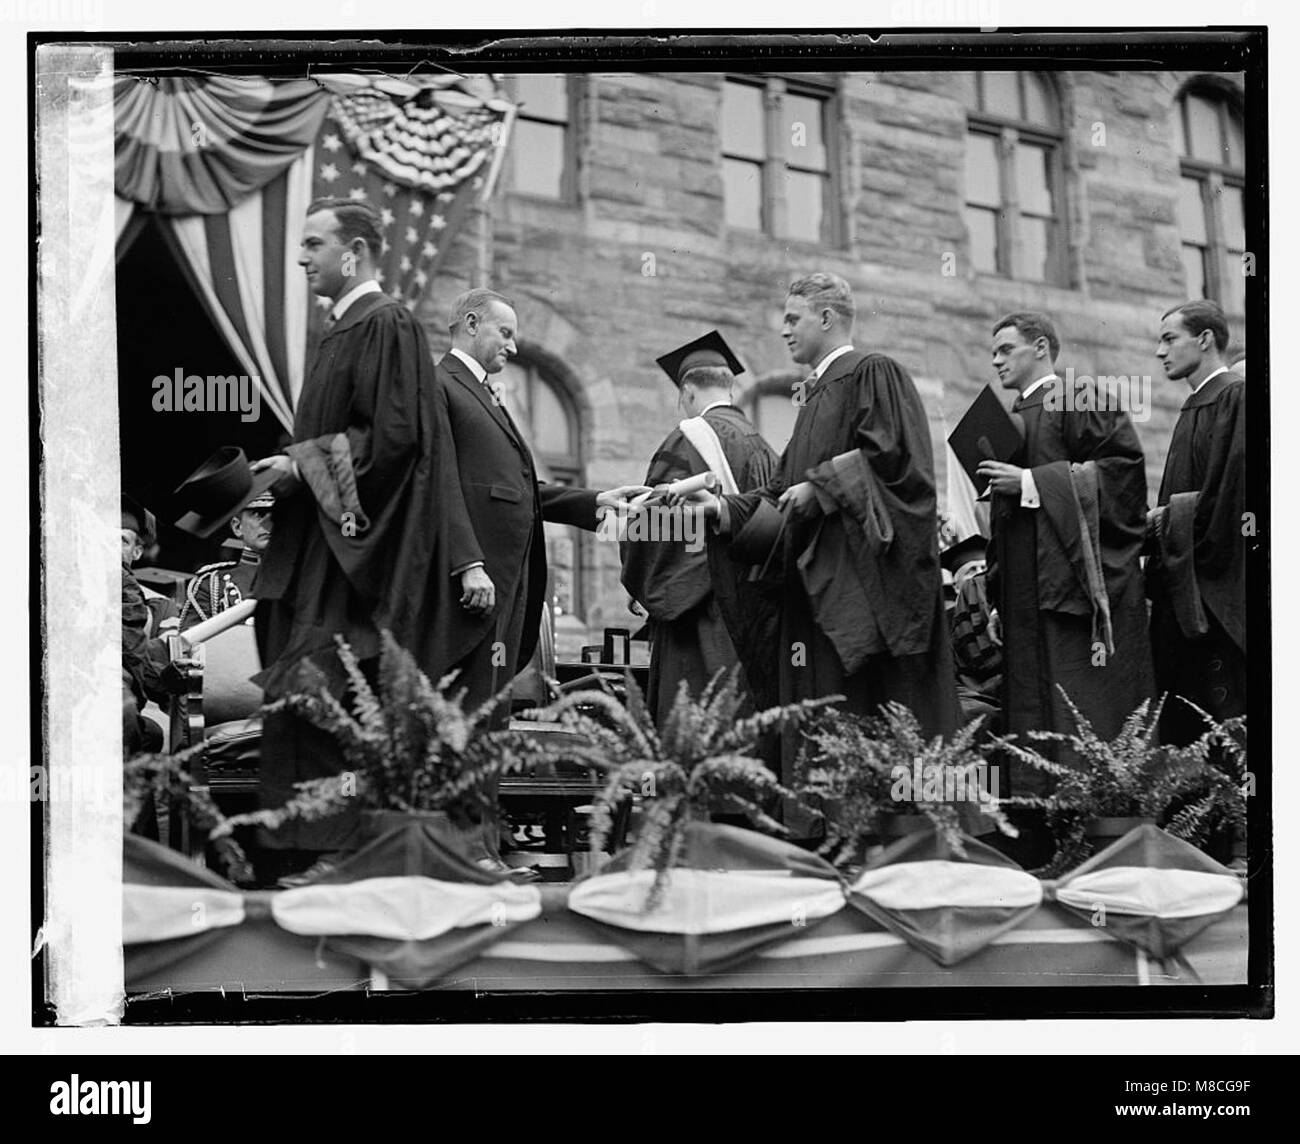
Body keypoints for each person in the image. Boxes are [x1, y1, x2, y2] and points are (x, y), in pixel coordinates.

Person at [249, 199, 484, 883]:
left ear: (353, 253)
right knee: (303, 691)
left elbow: (395, 439)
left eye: (313, 244)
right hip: (318, 542)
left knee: (329, 691)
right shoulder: (342, 328)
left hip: (351, 557)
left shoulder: (386, 324)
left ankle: (343, 855)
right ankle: (304, 852)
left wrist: (302, 467)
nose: (302, 257)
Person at [674, 273, 960, 802]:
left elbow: (901, 468)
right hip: (812, 596)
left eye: (792, 318)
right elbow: (781, 492)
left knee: (864, 721)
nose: (783, 331)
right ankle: (828, 832)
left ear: (826, 319)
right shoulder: (813, 399)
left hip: (859, 598)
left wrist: (823, 488)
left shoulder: (873, 374)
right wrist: (720, 509)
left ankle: (882, 835)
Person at [435, 287, 649, 871]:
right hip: (476, 588)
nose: (513, 342)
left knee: (488, 724)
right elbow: (442, 484)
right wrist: (467, 562)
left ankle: (484, 854)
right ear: (470, 323)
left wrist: (594, 501)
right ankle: (465, 859)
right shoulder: (443, 387)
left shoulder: (482, 393)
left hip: (505, 590)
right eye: (504, 332)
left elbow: (521, 491)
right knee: (470, 721)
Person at [976, 312, 1154, 806]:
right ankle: (1037, 825)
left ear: (1040, 348)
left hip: (1068, 593)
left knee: (1073, 704)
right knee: (1029, 718)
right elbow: (1005, 522)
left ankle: (1089, 822)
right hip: (1021, 592)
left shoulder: (1080, 398)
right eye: (993, 352)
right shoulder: (1009, 417)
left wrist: (1032, 482)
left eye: (1006, 349)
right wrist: (997, 597)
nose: (996, 360)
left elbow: (1122, 477)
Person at [619, 330, 778, 725]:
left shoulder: (689, 438)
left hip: (701, 620)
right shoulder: (765, 448)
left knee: (696, 729)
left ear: (687, 392)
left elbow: (652, 526)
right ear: (731, 387)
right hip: (755, 622)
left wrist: (642, 581)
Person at [1147, 300, 1246, 745]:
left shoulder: (1234, 398)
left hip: (1212, 597)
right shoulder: (1195, 407)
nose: (1159, 351)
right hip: (1182, 589)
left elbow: (1230, 499)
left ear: (1205, 339)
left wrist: (1165, 521)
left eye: (1170, 339)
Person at [179, 491, 275, 630]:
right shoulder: (213, 584)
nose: (269, 523)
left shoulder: (308, 577)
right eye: (259, 515)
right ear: (237, 527)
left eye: (278, 516)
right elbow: (192, 644)